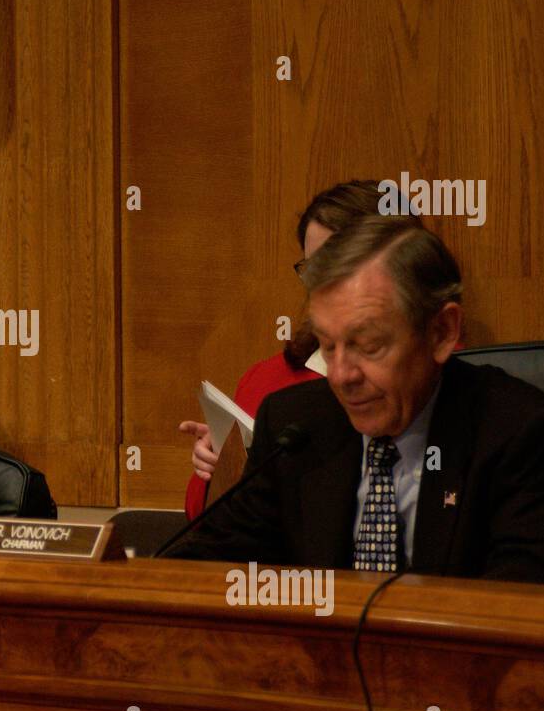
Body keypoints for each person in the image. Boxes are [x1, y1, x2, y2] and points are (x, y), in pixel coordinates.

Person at [162, 218, 544, 583]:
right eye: (328, 346)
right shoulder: (295, 423)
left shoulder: (518, 432)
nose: (342, 375)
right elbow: (218, 556)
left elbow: (521, 601)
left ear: (441, 332)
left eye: (369, 345)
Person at [180, 181, 420, 517]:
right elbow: (202, 522)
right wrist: (217, 467)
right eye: (314, 268)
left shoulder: (434, 380)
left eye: (340, 265)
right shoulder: (268, 381)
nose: (324, 284)